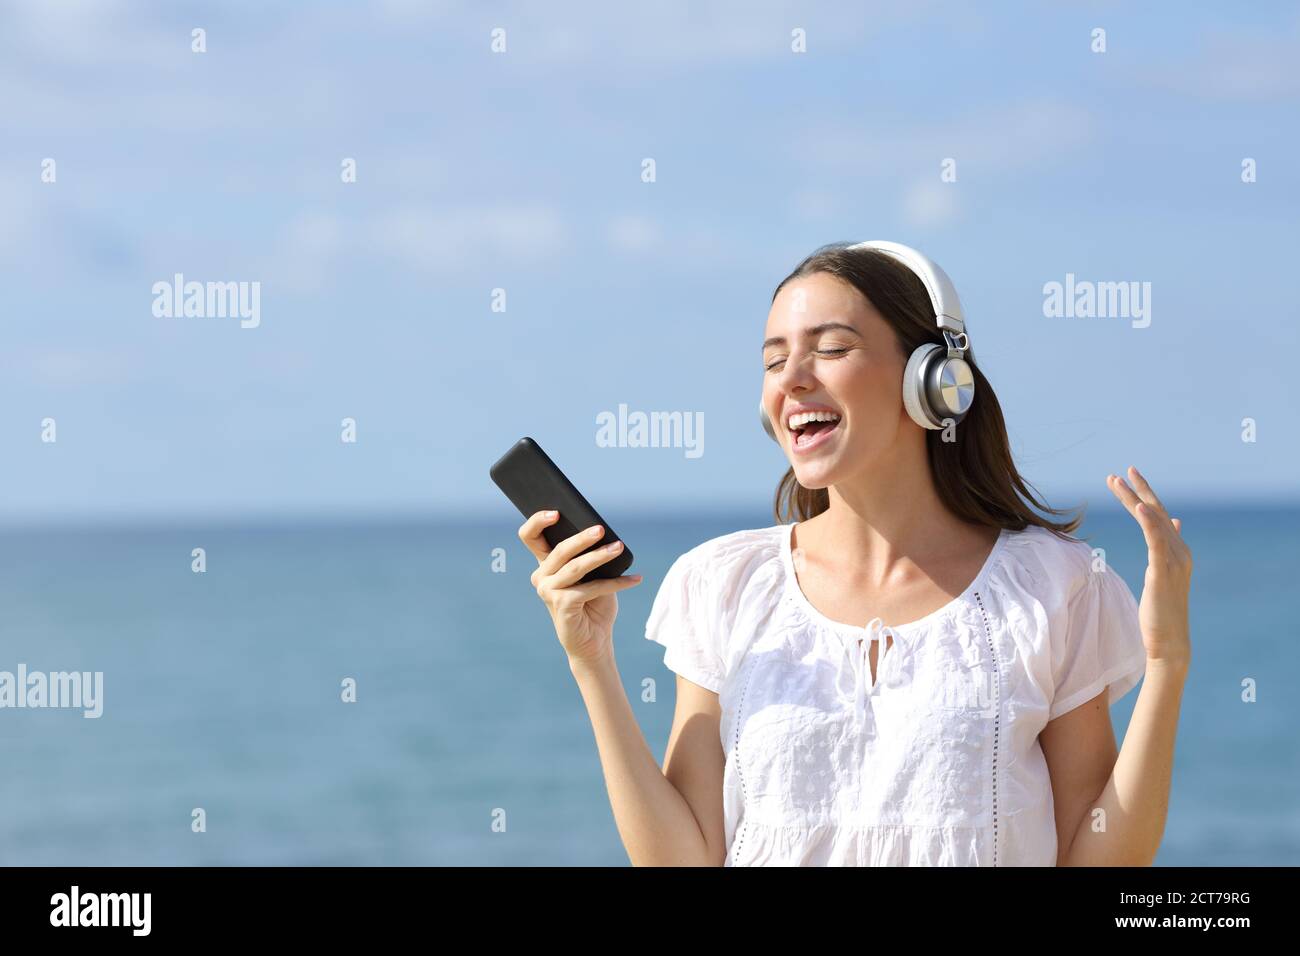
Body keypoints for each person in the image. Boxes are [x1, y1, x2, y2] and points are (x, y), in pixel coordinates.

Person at [516, 241, 1192, 866]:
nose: (794, 379)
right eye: (774, 361)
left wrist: (1165, 663)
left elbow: (1099, 859)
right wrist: (592, 663)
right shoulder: (723, 584)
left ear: (933, 378)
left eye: (831, 349)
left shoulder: (1054, 588)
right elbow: (684, 859)